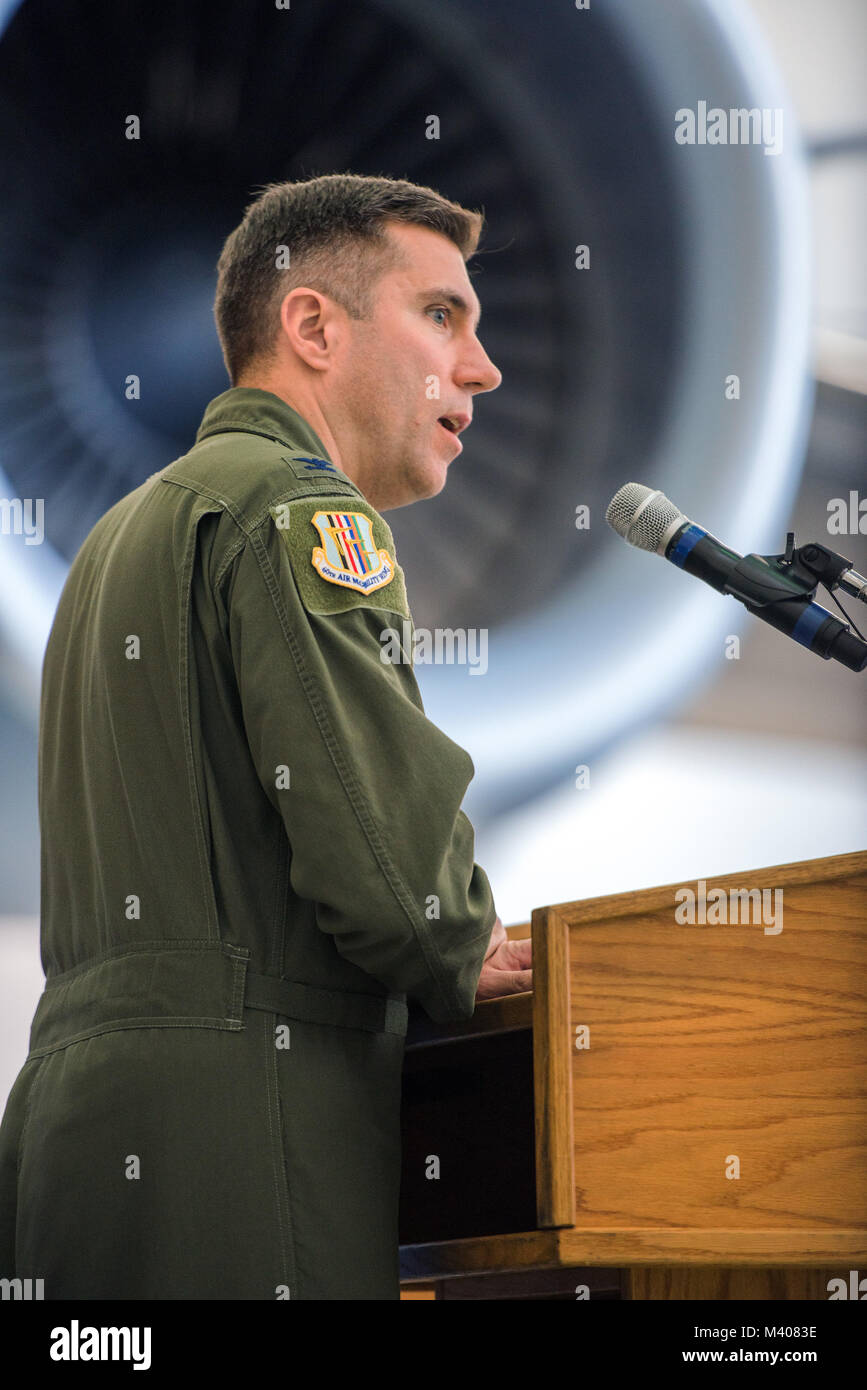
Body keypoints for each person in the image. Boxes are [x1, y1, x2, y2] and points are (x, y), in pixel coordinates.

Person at [0, 172, 532, 1301]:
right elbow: (388, 876)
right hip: (241, 1149)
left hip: (69, 1140)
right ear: (311, 326)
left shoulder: (118, 538)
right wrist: (458, 936)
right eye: (442, 314)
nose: (480, 367)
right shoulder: (306, 513)